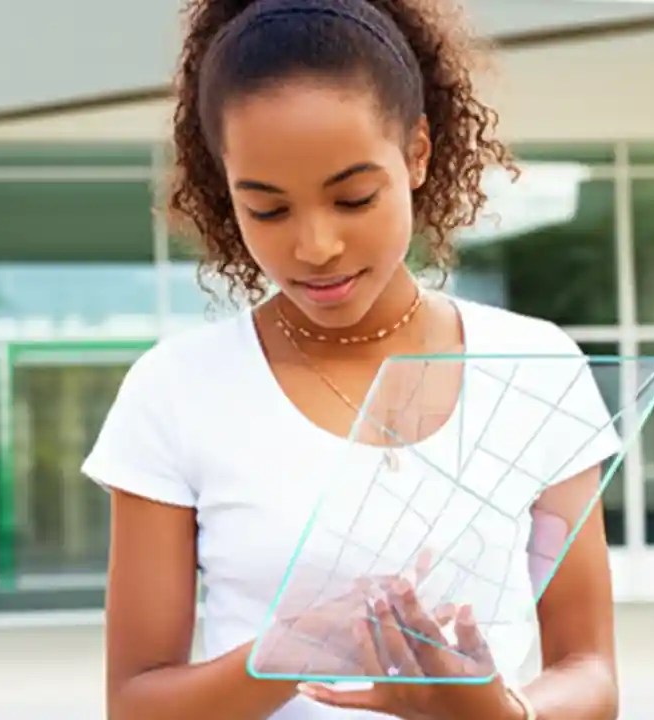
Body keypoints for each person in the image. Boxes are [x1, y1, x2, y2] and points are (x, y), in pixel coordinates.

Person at [80, 1, 622, 718]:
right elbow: (136, 704)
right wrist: (293, 648)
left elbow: (590, 669)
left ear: (419, 154)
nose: (315, 246)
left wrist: (503, 714)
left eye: (354, 197)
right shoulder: (176, 390)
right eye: (268, 210)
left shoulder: (535, 366)